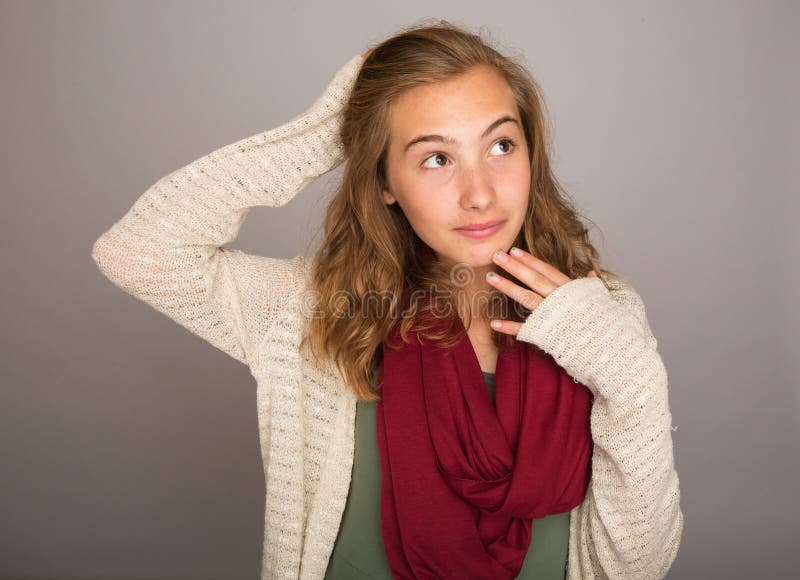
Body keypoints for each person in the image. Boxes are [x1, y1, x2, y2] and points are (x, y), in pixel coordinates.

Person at [91, 20, 683, 580]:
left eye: (501, 146)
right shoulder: (314, 309)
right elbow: (138, 253)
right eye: (435, 158)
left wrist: (632, 375)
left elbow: (634, 567)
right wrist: (331, 127)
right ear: (383, 183)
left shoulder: (601, 314)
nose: (479, 194)